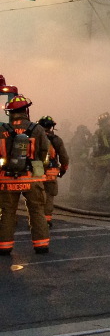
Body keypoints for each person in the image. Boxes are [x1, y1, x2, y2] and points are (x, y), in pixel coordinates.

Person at [0, 95, 52, 255]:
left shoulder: (2, 130)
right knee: (36, 210)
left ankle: (4, 247)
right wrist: (41, 166)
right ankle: (41, 245)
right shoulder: (36, 129)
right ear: (26, 111)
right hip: (32, 177)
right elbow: (46, 152)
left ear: (10, 112)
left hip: (7, 178)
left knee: (7, 212)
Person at [38, 116, 70, 226]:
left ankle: (36, 219)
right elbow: (64, 157)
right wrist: (63, 169)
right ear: (51, 127)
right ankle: (46, 220)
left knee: (36, 195)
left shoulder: (33, 137)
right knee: (49, 196)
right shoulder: (56, 139)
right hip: (51, 172)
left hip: (37, 171)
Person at [66, 124, 93, 199]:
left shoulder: (80, 137)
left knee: (79, 178)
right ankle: (74, 195)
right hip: (78, 162)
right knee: (77, 178)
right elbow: (78, 152)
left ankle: (75, 194)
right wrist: (85, 159)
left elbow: (89, 144)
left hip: (78, 162)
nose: (86, 131)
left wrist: (90, 135)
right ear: (81, 130)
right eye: (84, 129)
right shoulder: (78, 139)